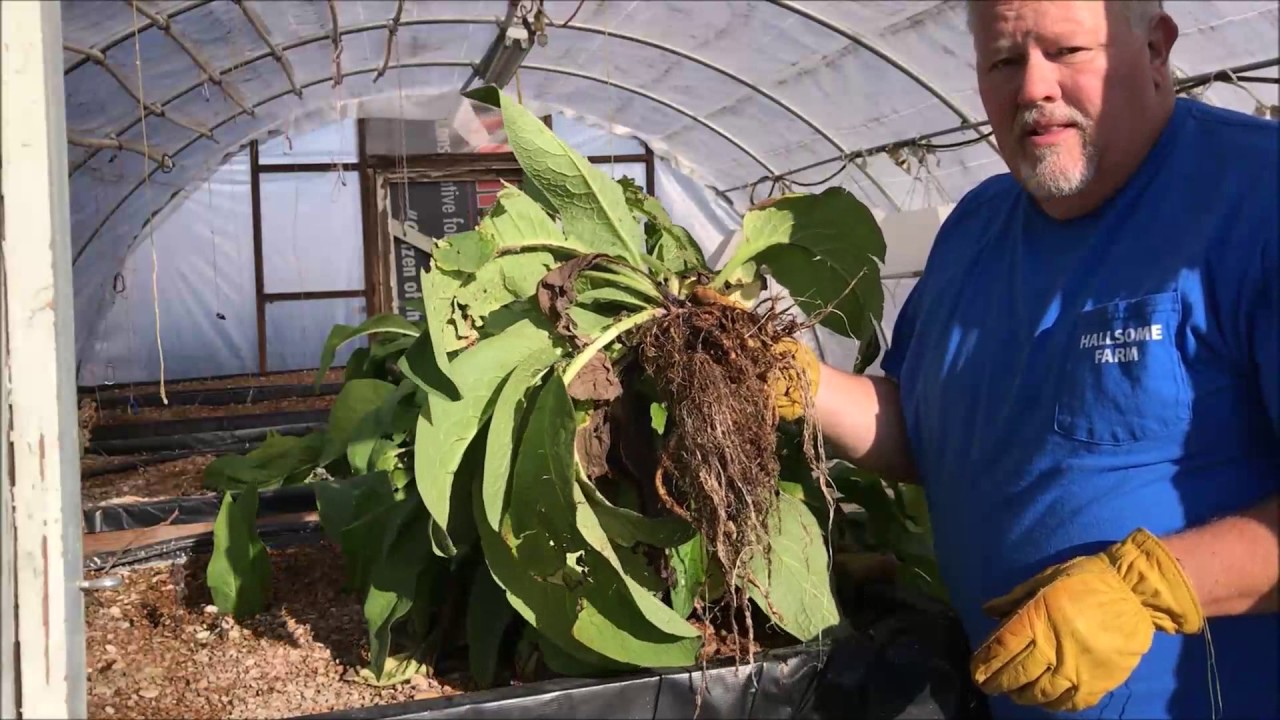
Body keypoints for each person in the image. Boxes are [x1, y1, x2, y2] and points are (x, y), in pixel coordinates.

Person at [779, 1, 1279, 718]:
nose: (1033, 88)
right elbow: (923, 433)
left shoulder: (1257, 199)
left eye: (1069, 52)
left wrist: (1157, 587)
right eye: (1005, 62)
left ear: (1156, 49)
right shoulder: (977, 226)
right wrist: (796, 379)